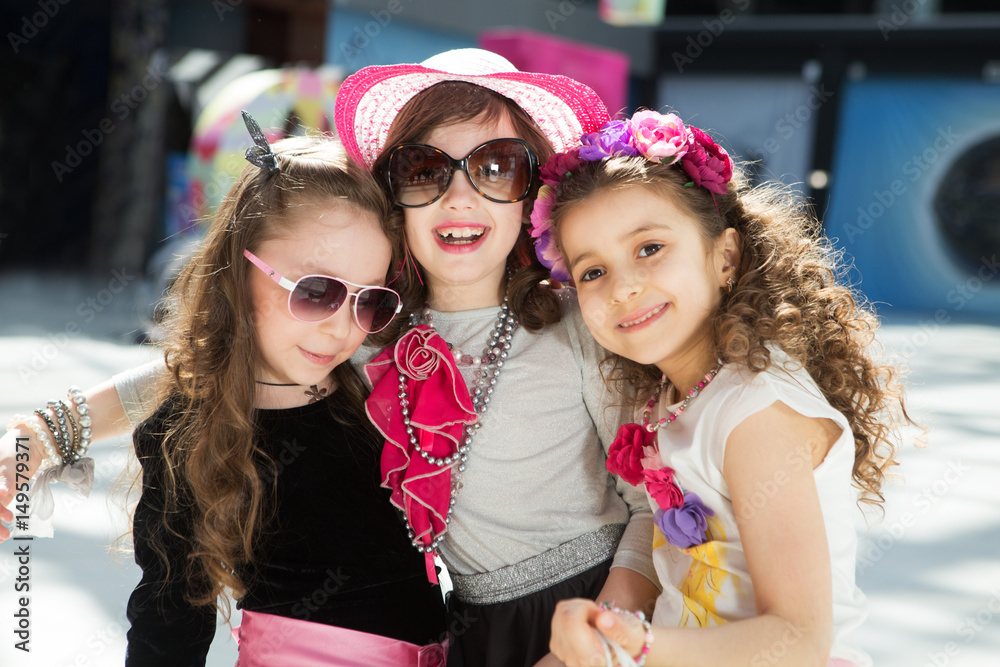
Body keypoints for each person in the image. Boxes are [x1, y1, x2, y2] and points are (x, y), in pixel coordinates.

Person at [1, 51, 659, 666]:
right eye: (426, 169)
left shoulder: (578, 322)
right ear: (393, 194)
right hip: (472, 633)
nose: (461, 195)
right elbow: (208, 364)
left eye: (497, 166)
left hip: (599, 613)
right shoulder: (372, 319)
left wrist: (604, 627)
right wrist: (47, 433)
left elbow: (653, 499)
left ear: (533, 187)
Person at [7, 115, 449, 666]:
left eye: (371, 301)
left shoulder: (370, 377)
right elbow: (167, 625)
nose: (342, 327)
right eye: (316, 292)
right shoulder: (192, 431)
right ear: (241, 270)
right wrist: (39, 435)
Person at [534, 110, 913, 667]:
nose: (623, 288)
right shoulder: (676, 393)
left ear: (725, 256)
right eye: (593, 272)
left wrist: (631, 645)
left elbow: (798, 641)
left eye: (649, 248)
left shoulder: (754, 413)